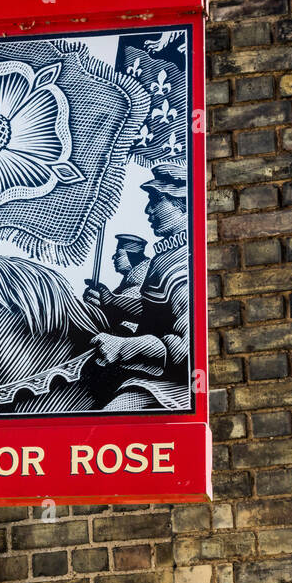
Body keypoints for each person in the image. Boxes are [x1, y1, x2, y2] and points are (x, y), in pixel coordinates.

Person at [90, 164, 191, 411]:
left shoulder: (184, 264)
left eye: (157, 200)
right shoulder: (166, 256)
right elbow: (154, 311)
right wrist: (110, 301)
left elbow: (186, 350)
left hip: (171, 385)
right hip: (150, 372)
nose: (148, 209)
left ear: (182, 205)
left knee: (112, 415)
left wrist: (124, 347)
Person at [83, 234, 149, 335]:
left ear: (131, 257)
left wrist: (106, 302)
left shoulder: (138, 285)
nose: (113, 257)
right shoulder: (129, 281)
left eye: (118, 255)